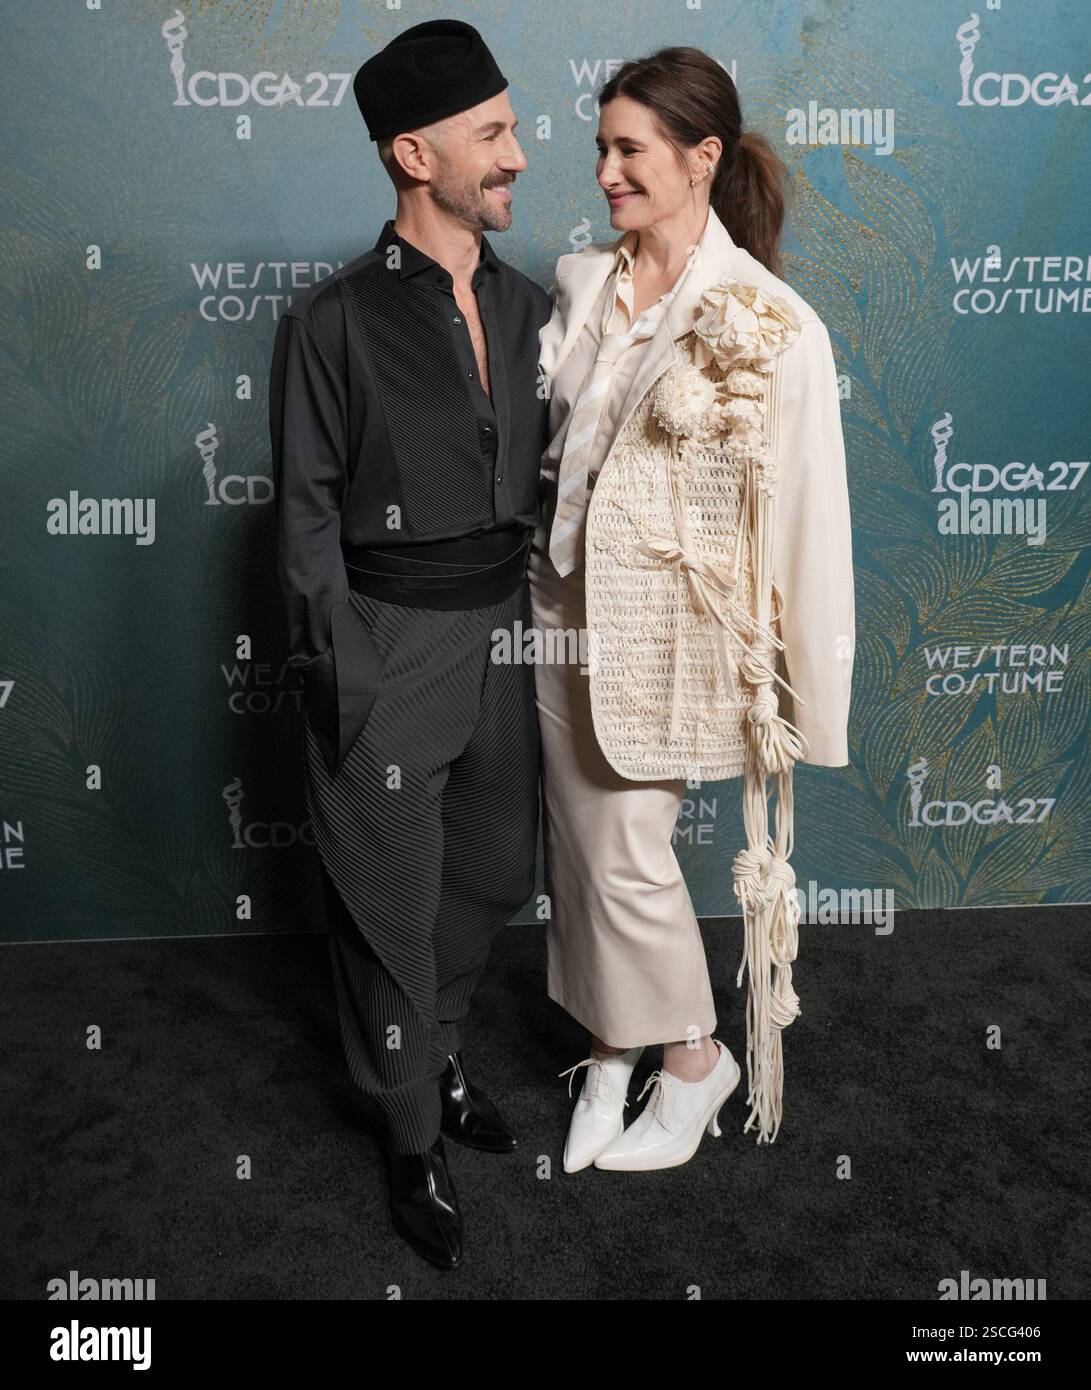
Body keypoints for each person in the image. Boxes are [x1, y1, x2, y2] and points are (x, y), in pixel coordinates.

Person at [531, 46, 855, 1172]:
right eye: (601, 150)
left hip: (667, 631)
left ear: (699, 158)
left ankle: (690, 1059)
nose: (606, 172)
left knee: (623, 842)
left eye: (629, 150)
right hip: (552, 600)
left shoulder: (771, 324)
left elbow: (809, 515)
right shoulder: (580, 283)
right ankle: (610, 1044)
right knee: (576, 839)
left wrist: (807, 694)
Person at [269, 19, 550, 1267]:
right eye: (492, 135)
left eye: (511, 129)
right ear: (410, 153)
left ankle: (433, 1065)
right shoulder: (328, 322)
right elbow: (306, 516)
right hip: (388, 637)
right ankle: (406, 1134)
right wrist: (348, 674)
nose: (519, 158)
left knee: (487, 877)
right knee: (387, 910)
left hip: (507, 635)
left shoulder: (533, 303)